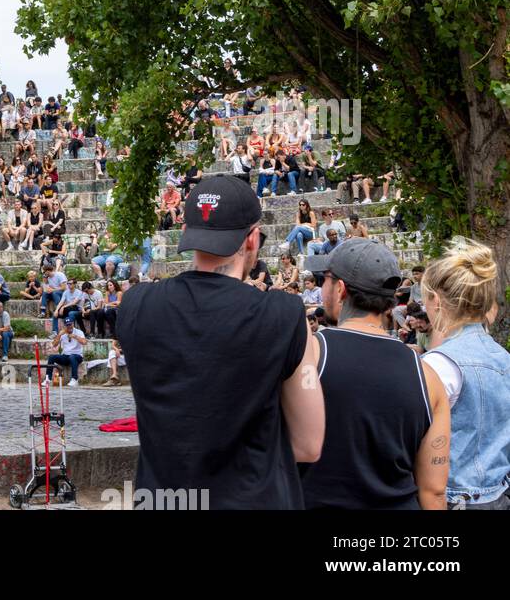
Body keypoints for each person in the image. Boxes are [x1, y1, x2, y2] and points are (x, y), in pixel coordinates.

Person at [116, 175, 324, 509]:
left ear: (186, 234)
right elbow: (308, 444)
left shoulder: (136, 304)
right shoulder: (283, 314)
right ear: (252, 239)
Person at [298, 238, 450, 509]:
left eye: (326, 280)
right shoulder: (428, 375)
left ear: (340, 289)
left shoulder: (308, 355)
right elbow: (434, 491)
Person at [420, 237, 510, 509]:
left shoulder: (438, 365)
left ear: (436, 301)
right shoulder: (503, 357)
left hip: (455, 498)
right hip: (498, 494)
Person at [44, 320, 87, 387]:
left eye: (70, 324)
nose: (69, 326)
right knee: (51, 357)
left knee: (72, 357)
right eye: (67, 325)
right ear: (65, 326)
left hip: (77, 356)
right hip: (66, 356)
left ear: (73, 324)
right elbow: (54, 345)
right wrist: (59, 335)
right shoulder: (62, 333)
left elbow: (84, 342)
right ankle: (48, 379)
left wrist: (75, 337)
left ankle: (75, 379)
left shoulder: (79, 332)